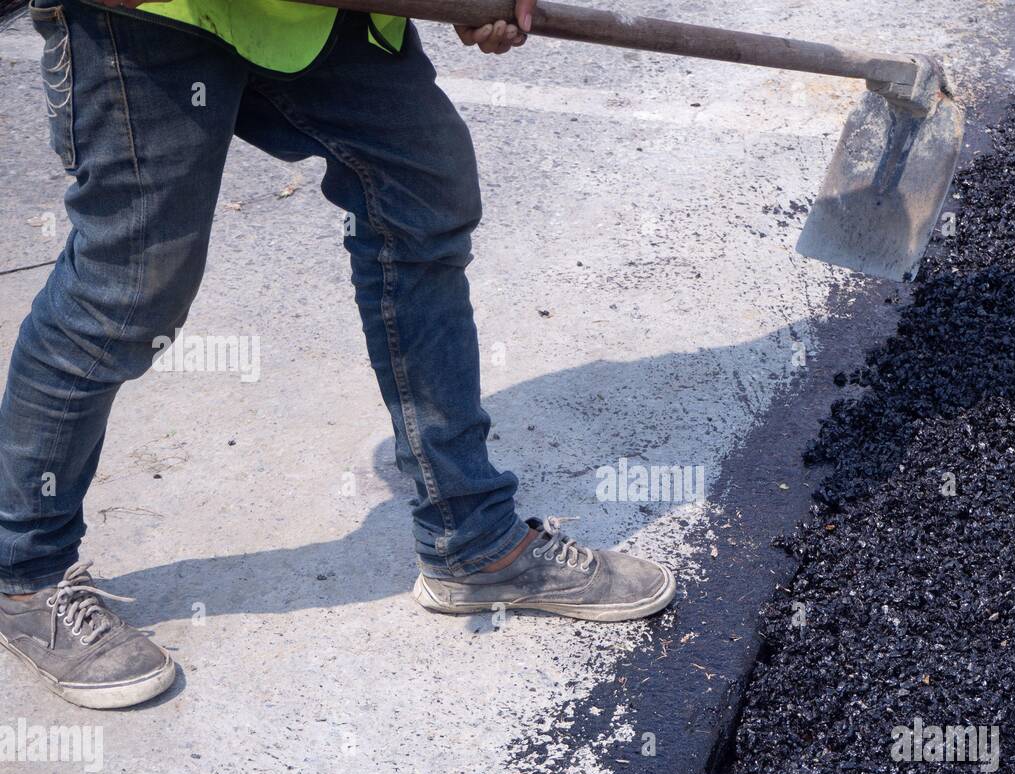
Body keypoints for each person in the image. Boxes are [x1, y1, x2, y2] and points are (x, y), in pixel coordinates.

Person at [0, 0, 676, 710]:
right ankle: (23, 572)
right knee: (131, 288)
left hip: (312, 18)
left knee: (422, 194)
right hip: (151, 16)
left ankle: (472, 540)